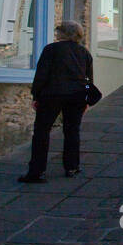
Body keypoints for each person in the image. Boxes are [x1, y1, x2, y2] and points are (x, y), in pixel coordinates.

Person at [18, 21, 95, 182]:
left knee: (42, 131)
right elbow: (88, 78)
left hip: (52, 94)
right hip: (77, 95)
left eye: (58, 31)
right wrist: (87, 99)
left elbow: (42, 75)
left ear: (63, 33)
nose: (56, 33)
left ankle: (37, 171)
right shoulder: (84, 53)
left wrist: (36, 95)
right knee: (72, 131)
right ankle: (72, 167)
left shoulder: (51, 50)